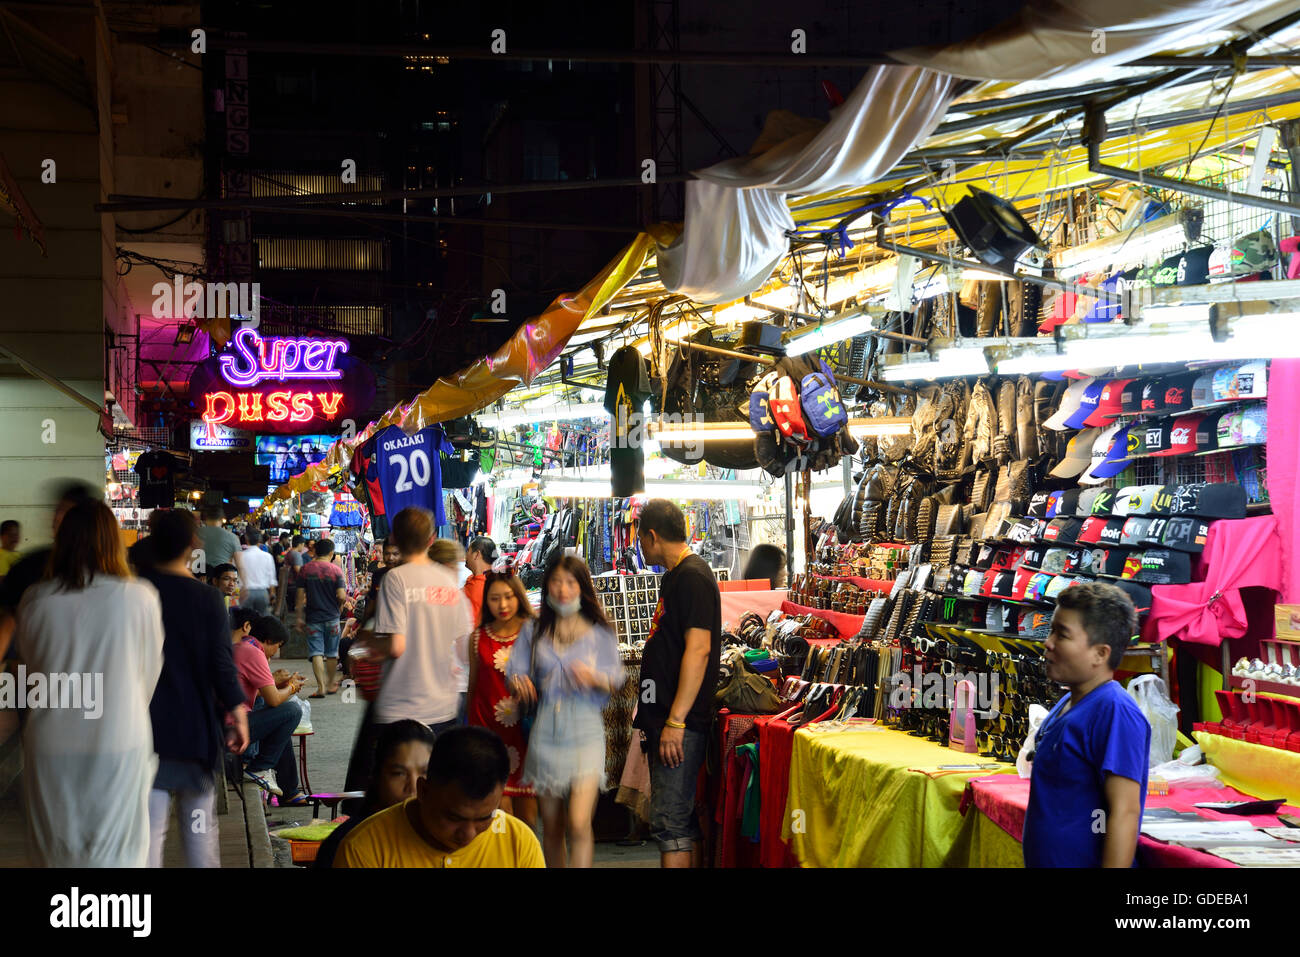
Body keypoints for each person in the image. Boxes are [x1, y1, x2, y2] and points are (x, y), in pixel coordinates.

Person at [14, 500, 164, 866]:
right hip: (119, 737)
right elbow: (148, 674)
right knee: (120, 853)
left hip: (51, 741)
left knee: (56, 851)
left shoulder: (36, 600)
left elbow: (33, 672)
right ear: (114, 542)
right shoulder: (140, 597)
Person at [141, 508, 249, 868]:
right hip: (194, 729)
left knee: (149, 834)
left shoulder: (137, 593)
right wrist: (237, 711)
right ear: (193, 544)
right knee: (199, 830)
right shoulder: (206, 598)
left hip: (145, 729)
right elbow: (222, 662)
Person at [345, 507, 472, 801]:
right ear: (431, 540)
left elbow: (396, 646)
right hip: (442, 705)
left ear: (395, 540)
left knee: (392, 797)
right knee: (433, 792)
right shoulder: (448, 582)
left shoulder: (395, 579)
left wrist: (368, 644)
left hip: (400, 706)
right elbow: (465, 648)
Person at [507, 556, 624, 868]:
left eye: (570, 582)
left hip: (586, 732)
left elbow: (615, 680)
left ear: (582, 588)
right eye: (557, 581)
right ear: (547, 586)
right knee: (553, 826)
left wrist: (593, 676)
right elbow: (515, 672)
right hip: (546, 730)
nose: (562, 589)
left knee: (577, 822)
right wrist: (520, 684)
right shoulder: (533, 630)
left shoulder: (600, 630)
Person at [1023, 582, 1151, 868]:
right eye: (1052, 629)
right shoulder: (1068, 702)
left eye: (1062, 634)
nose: (1049, 642)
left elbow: (1125, 812)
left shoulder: (1114, 711)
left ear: (1100, 654)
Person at [633, 498, 721, 868]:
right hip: (670, 719)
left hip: (679, 722)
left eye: (639, 538)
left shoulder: (693, 577)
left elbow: (699, 650)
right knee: (680, 821)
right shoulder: (678, 576)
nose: (638, 545)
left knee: (670, 824)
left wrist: (675, 721)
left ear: (652, 536)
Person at [335, 726, 544, 868]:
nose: (469, 834)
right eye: (454, 818)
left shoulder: (519, 843)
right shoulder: (364, 849)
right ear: (424, 791)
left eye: (484, 818)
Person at [467, 571, 538, 828]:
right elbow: (473, 686)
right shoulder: (477, 638)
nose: (503, 605)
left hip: (526, 733)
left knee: (528, 816)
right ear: (486, 601)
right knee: (501, 815)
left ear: (518, 597)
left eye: (508, 597)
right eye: (495, 598)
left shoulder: (533, 633)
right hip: (489, 733)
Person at [314, 720, 435, 869]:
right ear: (377, 778)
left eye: (425, 773)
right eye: (399, 774)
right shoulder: (350, 844)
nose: (413, 787)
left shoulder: (448, 835)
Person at [0, 481, 97, 662]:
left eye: (66, 512)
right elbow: (8, 623)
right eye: (57, 510)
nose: (56, 517)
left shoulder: (104, 572)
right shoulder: (29, 566)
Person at [231, 609, 306, 799]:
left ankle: (288, 788)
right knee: (292, 710)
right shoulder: (253, 652)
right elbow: (274, 699)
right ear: (270, 641)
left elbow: (256, 690)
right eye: (278, 646)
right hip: (232, 726)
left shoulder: (242, 647)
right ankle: (259, 767)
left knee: (279, 718)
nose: (277, 651)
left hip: (229, 721)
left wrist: (282, 684)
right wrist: (291, 687)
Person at [298, 538, 349, 697]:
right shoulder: (336, 571)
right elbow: (341, 595)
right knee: (332, 653)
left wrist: (299, 617)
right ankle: (330, 684)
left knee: (316, 652)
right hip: (332, 617)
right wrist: (339, 606)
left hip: (313, 617)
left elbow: (299, 597)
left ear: (315, 551)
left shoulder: (305, 569)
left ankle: (321, 688)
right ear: (331, 553)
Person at [238, 528, 277, 615]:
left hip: (245, 592)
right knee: (262, 621)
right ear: (259, 540)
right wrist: (272, 594)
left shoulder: (240, 556)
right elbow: (272, 579)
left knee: (245, 620)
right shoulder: (267, 556)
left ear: (246, 539)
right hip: (262, 593)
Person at [463, 536, 497, 617]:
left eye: (468, 551)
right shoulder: (494, 578)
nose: (466, 556)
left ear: (476, 554)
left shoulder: (479, 587)